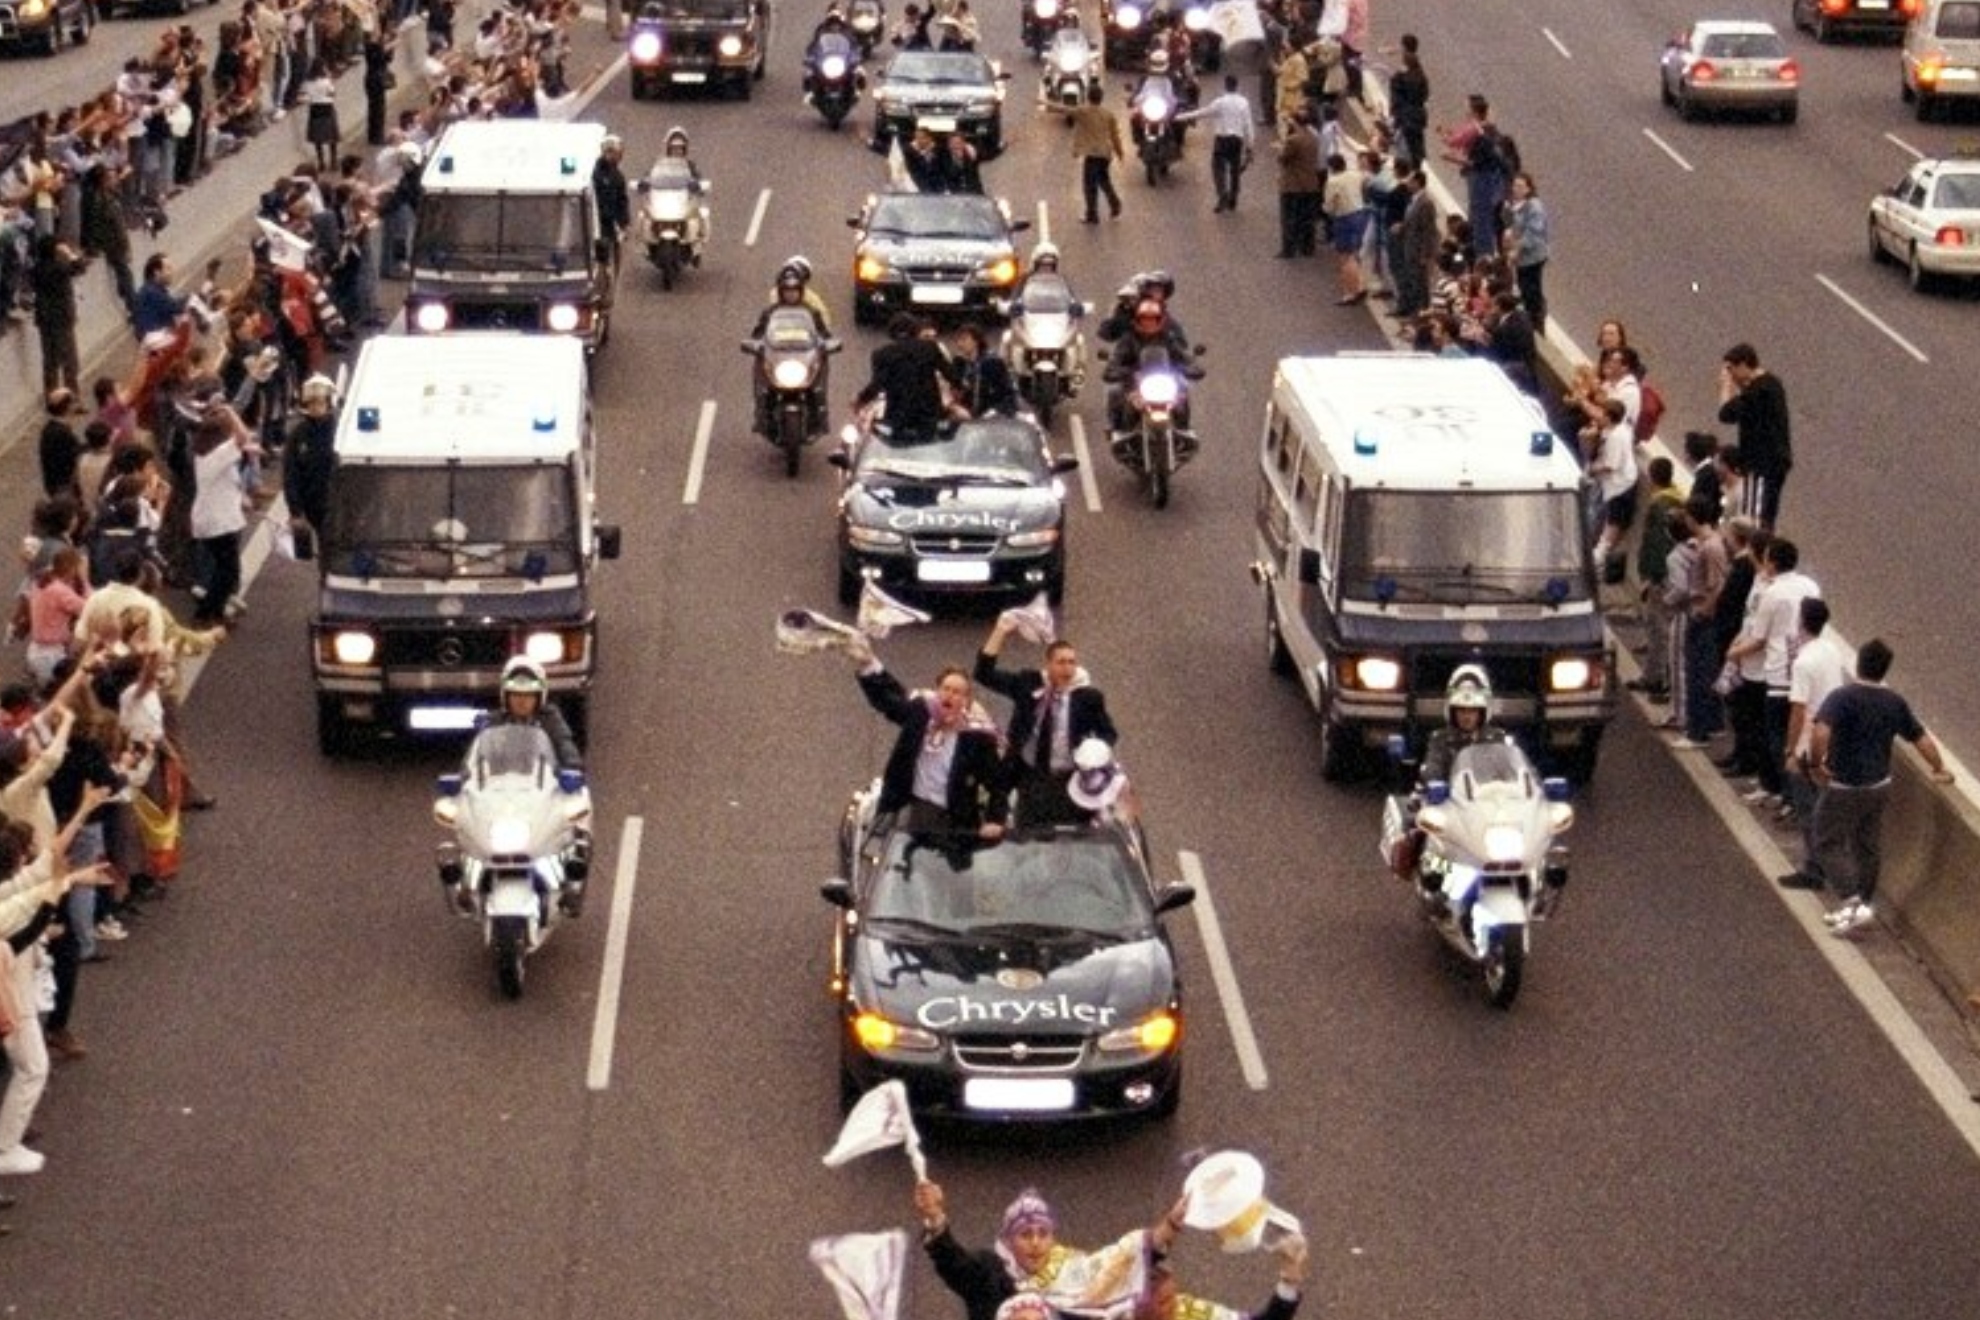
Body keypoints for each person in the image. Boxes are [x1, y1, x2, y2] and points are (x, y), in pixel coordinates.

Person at [1813, 639, 1955, 936]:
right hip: (1879, 784)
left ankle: (1853, 904)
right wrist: (1939, 768)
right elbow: (1920, 738)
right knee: (1867, 845)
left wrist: (1817, 763)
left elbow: (1821, 730)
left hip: (1844, 785)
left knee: (1827, 842)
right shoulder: (1894, 702)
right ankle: (1863, 902)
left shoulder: (1843, 697)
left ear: (1859, 663)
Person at [845, 640, 1007, 841]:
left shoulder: (977, 737)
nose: (950, 695)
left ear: (966, 701)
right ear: (937, 692)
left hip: (957, 818)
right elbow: (889, 699)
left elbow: (997, 784)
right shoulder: (920, 714)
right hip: (917, 811)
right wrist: (868, 663)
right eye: (946, 689)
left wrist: (995, 820)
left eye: (957, 692)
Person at [975, 616, 1117, 826]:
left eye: (1071, 662)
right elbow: (983, 674)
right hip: (1032, 776)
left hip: (1070, 779)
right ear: (1048, 664)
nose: (1067, 668)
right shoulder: (1028, 684)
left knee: (1072, 838)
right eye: (1061, 662)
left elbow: (1109, 733)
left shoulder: (1088, 697)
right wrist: (1000, 631)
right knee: (1031, 837)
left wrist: (1095, 750)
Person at [1777, 598, 1850, 892]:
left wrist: (1791, 749)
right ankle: (1825, 863)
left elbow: (1798, 709)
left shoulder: (1804, 662)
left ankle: (1813, 869)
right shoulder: (1830, 651)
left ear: (1802, 623)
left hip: (1809, 744)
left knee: (1808, 811)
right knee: (1826, 807)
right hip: (1833, 738)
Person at [1716, 342, 1792, 530]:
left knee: (1753, 518)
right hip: (1776, 462)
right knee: (1767, 514)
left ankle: (1755, 550)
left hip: (1760, 464)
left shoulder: (1757, 391)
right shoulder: (1772, 384)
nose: (1731, 376)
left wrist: (1725, 387)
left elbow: (1725, 414)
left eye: (1731, 369)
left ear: (1743, 364)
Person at [854, 312, 956, 437]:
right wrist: (960, 388)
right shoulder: (930, 348)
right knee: (929, 444)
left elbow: (877, 384)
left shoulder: (882, 354)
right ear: (915, 330)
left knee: (899, 447)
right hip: (928, 412)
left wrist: (860, 400)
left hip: (898, 413)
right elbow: (950, 374)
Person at [487, 656, 584, 772]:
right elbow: (476, 758)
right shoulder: (494, 721)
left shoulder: (550, 719)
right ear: (506, 696)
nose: (522, 701)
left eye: (528, 695)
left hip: (543, 784)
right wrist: (465, 775)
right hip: (499, 785)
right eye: (516, 694)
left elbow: (565, 745)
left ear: (539, 697)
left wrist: (572, 766)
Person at [1177, 74, 1254, 212]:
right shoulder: (1244, 103)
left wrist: (1180, 117)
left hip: (1222, 139)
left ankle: (1222, 193)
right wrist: (1250, 147)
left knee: (1218, 168)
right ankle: (1233, 198)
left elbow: (1202, 113)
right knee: (1235, 170)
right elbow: (1248, 126)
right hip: (1237, 140)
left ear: (1225, 86)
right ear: (1237, 86)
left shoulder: (1220, 102)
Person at [1057, 84, 1124, 224]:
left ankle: (1092, 215)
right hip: (1105, 154)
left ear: (1088, 97)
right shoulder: (1108, 114)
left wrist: (1043, 102)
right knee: (1104, 181)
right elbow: (1115, 136)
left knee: (1089, 185)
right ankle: (1115, 204)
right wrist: (1120, 153)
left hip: (1092, 155)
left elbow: (1064, 108)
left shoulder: (1083, 111)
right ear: (1101, 98)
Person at [1501, 171, 1549, 330]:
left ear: (1529, 189)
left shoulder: (1534, 207)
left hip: (1533, 256)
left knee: (1531, 290)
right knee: (1523, 286)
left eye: (1521, 186)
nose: (1516, 189)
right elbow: (1508, 223)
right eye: (1515, 185)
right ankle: (1531, 318)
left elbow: (1533, 233)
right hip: (1521, 257)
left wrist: (1517, 248)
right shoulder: (1513, 205)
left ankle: (1536, 323)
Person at [1274, 105, 1321, 259]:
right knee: (1306, 218)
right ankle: (1307, 247)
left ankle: (1289, 249)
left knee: (1289, 218)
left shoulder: (1293, 140)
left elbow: (1283, 158)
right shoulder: (1313, 137)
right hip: (1310, 184)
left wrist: (1280, 148)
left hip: (1293, 185)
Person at [946, 324, 1018, 417]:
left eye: (964, 340)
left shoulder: (992, 363)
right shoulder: (959, 363)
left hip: (990, 417)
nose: (960, 344)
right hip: (965, 417)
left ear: (976, 341)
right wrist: (955, 407)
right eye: (958, 340)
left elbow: (1009, 396)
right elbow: (952, 393)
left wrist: (993, 412)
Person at [592, 134, 632, 274]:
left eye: (618, 153)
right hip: (597, 223)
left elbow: (622, 199)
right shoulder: (596, 173)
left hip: (611, 225)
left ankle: (611, 284)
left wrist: (624, 223)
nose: (617, 156)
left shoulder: (618, 175)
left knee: (615, 260)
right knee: (600, 261)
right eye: (613, 153)